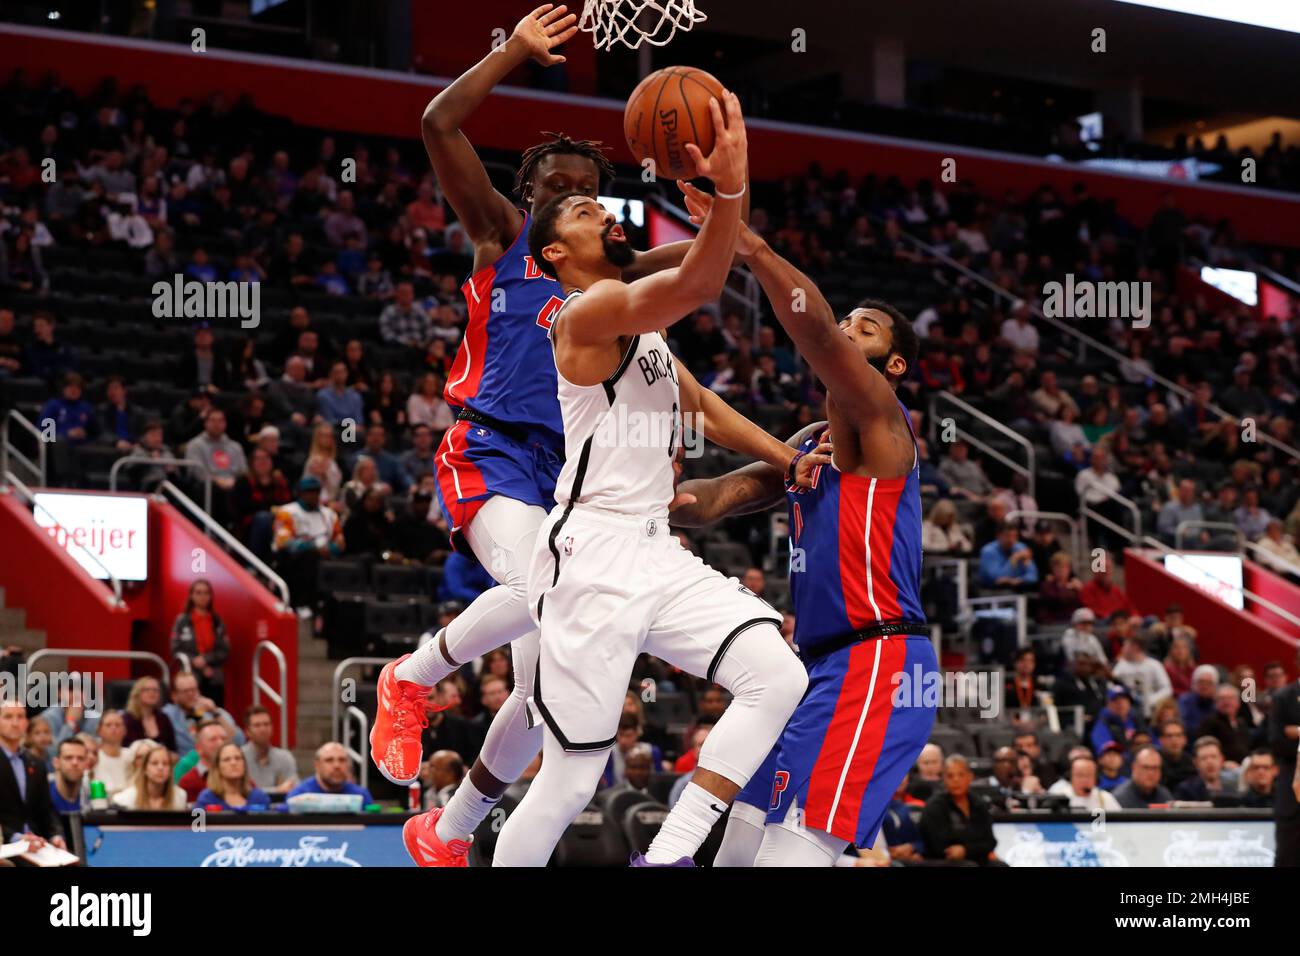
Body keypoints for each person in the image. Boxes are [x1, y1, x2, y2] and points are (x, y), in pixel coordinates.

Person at [370, 2, 741, 869]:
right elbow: (436, 122)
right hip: (492, 450)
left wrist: (722, 187)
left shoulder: (617, 272)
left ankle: (447, 830)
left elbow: (710, 266)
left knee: (543, 701)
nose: (577, 198)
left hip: (569, 478)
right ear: (528, 195)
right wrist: (512, 53)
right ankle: (412, 677)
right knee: (550, 583)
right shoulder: (502, 237)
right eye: (559, 187)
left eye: (591, 190)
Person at [481, 94, 821, 870]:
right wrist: (730, 198)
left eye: (601, 203)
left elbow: (700, 405)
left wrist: (785, 456)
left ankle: (667, 858)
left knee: (775, 673)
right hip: (591, 560)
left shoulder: (642, 323)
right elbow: (700, 284)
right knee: (568, 784)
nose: (600, 212)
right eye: (579, 211)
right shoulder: (582, 314)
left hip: (655, 550)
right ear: (555, 254)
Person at [672, 186, 936, 868]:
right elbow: (730, 491)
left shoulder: (884, 422)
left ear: (894, 365)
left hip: (879, 660)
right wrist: (667, 501)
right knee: (735, 843)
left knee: (790, 853)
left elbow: (815, 335)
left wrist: (751, 246)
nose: (847, 329)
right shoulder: (813, 439)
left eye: (865, 328)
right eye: (846, 319)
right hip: (814, 668)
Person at [0, 700, 67, 851]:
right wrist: (17, 838)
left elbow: (46, 810)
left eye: (20, 717)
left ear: (26, 723)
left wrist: (55, 835)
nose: (15, 723)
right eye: (8, 717)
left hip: (38, 844)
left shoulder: (36, 763)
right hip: (6, 846)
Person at [919, 755, 1003, 866]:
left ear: (970, 777)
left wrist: (965, 850)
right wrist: (974, 847)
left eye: (961, 775)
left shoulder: (979, 804)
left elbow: (990, 842)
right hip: (941, 862)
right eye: (950, 776)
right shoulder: (934, 806)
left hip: (974, 858)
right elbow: (939, 848)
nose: (956, 780)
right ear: (944, 779)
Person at [169, 580, 232, 706]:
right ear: (191, 596)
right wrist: (194, 661)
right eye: (198, 593)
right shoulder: (182, 621)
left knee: (214, 709)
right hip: (190, 674)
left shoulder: (216, 621)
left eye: (206, 593)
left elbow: (224, 650)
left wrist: (206, 660)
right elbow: (175, 648)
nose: (202, 597)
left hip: (213, 674)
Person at [163, 671, 244, 762]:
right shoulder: (168, 715)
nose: (190, 694)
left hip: (218, 764)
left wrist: (215, 713)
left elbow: (239, 742)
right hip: (184, 768)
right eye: (185, 691)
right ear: (174, 696)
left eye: (193, 689)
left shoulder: (214, 712)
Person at [1268, 663, 1300, 866]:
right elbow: (1276, 742)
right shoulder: (1283, 697)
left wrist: (1297, 731)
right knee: (1287, 855)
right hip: (1291, 790)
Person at [287, 742, 374, 804]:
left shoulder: (361, 796)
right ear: (317, 765)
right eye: (329, 760)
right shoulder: (299, 796)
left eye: (342, 760)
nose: (337, 765)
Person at [194, 743, 271, 811]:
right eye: (227, 759)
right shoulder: (207, 798)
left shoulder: (259, 798)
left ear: (244, 764)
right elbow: (197, 826)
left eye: (238, 758)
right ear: (218, 767)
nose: (233, 763)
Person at [112, 740, 187, 811]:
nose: (160, 768)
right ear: (144, 769)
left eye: (165, 763)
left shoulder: (180, 797)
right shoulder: (124, 799)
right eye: (154, 763)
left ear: (171, 769)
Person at [241, 705, 299, 795]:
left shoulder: (285, 757)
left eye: (266, 724)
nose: (263, 729)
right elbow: (239, 791)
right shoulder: (238, 757)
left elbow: (294, 788)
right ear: (247, 731)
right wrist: (277, 790)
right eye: (257, 725)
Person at [1111, 636, 1173, 717]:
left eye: (1125, 646)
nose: (1122, 649)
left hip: (1152, 708)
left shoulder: (1154, 665)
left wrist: (1151, 700)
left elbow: (1167, 689)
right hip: (1127, 709)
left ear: (1135, 647)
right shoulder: (1121, 666)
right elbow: (1112, 687)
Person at [177, 722, 231, 803]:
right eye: (213, 739)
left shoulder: (238, 775)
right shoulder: (188, 782)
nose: (220, 743)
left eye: (224, 738)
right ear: (199, 748)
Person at [122, 676, 179, 753]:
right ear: (137, 693)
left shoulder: (163, 718)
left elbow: (173, 750)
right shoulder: (127, 720)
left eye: (155, 690)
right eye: (147, 689)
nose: (152, 692)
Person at [977, 521, 1039, 589]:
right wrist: (1014, 559)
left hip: (1018, 588)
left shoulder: (1021, 548)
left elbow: (1033, 576)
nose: (1011, 540)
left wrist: (1018, 580)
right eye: (1007, 536)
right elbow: (998, 579)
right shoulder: (988, 551)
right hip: (993, 592)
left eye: (1014, 536)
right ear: (998, 536)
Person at [1047, 754, 1120, 811]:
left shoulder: (1105, 798)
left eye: (1088, 775)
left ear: (1096, 778)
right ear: (1071, 777)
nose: (1084, 780)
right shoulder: (1059, 798)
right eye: (1080, 775)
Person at [1174, 736, 1233, 801]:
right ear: (1196, 763)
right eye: (1204, 758)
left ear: (1222, 759)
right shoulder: (1186, 790)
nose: (1209, 762)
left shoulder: (1232, 787)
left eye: (1213, 757)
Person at [93, 710, 131, 797]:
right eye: (108, 725)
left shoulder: (131, 755)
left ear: (124, 730)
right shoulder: (93, 757)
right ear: (99, 731)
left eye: (118, 725)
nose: (113, 728)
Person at [47, 738, 90, 813]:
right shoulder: (42, 793)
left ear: (86, 765)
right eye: (68, 758)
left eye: (80, 758)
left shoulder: (91, 797)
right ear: (56, 763)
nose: (75, 763)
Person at [1156, 720, 1197, 792]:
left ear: (1185, 739)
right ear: (1161, 740)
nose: (1174, 740)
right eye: (1169, 736)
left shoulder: (1190, 762)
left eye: (1178, 735)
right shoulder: (1154, 762)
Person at [1178, 664, 1220, 732]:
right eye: (1201, 682)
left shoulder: (1218, 702)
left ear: (1215, 686)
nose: (1204, 686)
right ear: (1194, 683)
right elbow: (1184, 724)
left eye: (1209, 683)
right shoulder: (1185, 700)